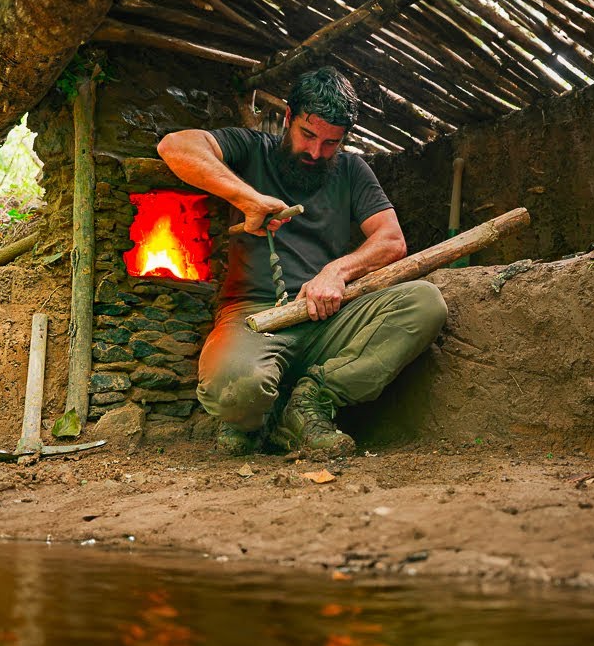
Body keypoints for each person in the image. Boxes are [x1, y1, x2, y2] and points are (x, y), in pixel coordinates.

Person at [156, 67, 447, 457]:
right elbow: (175, 147)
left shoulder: (351, 170)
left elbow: (391, 240)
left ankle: (311, 402)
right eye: (308, 135)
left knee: (424, 302)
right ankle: (261, 415)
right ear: (289, 118)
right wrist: (246, 198)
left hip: (329, 314)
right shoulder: (250, 148)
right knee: (234, 392)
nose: (316, 152)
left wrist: (336, 272)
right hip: (255, 317)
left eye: (331, 143)